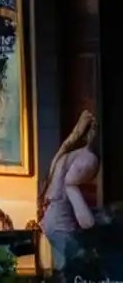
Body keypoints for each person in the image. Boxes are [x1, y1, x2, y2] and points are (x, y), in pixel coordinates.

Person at [40, 111, 102, 274]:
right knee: (80, 267)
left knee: (66, 269)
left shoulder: (66, 155)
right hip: (61, 224)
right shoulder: (88, 158)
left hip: (51, 220)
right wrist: (89, 221)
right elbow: (70, 183)